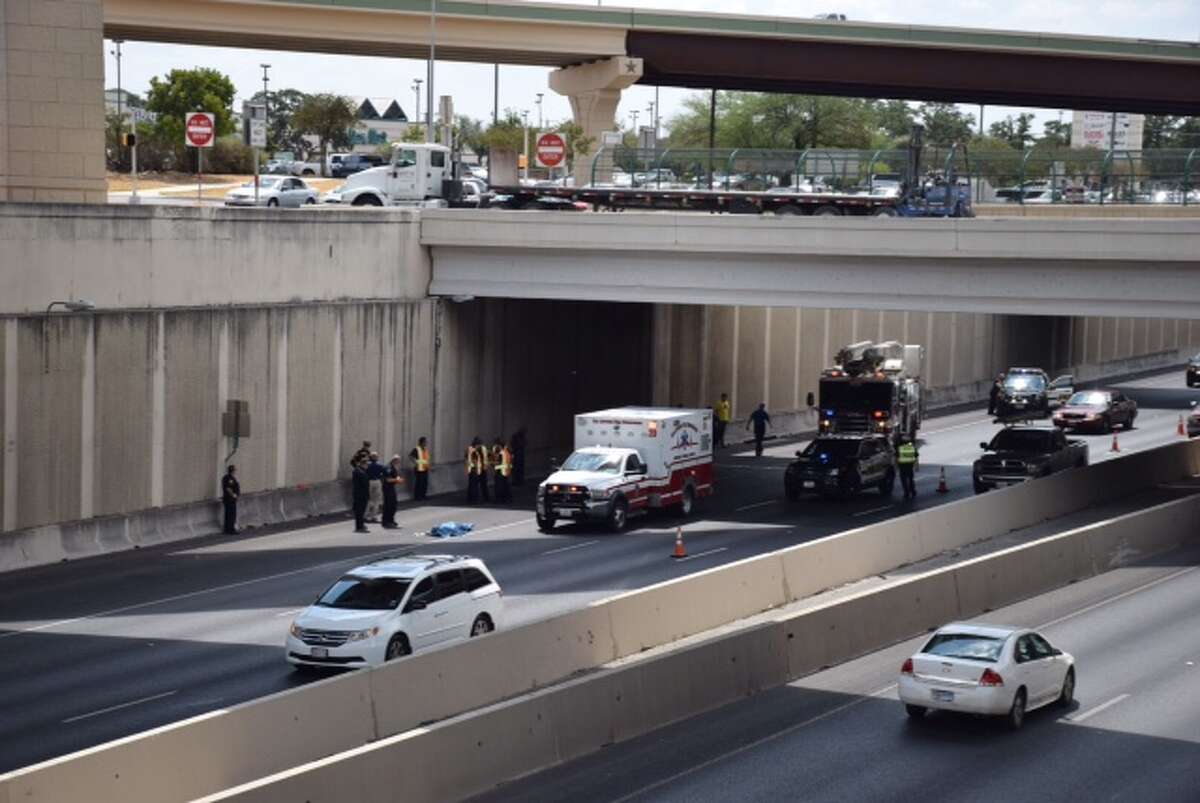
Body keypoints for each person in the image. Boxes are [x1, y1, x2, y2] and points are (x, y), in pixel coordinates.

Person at [381, 455, 403, 529]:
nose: (398, 463)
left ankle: (391, 520)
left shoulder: (393, 467)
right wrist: (397, 480)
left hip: (391, 488)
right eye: (398, 461)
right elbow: (387, 479)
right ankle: (386, 521)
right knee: (388, 505)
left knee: (393, 504)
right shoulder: (388, 468)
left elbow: (395, 476)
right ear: (394, 460)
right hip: (387, 488)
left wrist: (398, 478)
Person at [351, 457, 370, 533]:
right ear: (363, 464)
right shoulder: (359, 472)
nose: (367, 466)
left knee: (361, 511)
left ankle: (361, 524)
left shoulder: (361, 471)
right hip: (360, 494)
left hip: (361, 494)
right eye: (366, 464)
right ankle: (359, 526)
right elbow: (364, 483)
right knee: (360, 511)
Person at [409, 436, 430, 501]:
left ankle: (423, 495)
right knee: (419, 483)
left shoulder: (425, 449)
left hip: (425, 468)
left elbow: (426, 458)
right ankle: (417, 496)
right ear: (422, 442)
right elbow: (411, 456)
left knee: (425, 482)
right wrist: (417, 462)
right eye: (425, 442)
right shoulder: (416, 449)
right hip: (419, 468)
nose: (426, 443)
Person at [365, 452, 384, 522]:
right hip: (377, 481)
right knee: (376, 500)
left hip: (369, 482)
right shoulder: (380, 465)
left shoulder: (367, 464)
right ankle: (374, 516)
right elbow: (384, 473)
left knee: (368, 499)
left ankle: (365, 516)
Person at [493, 437, 513, 503]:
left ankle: (499, 499)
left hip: (500, 471)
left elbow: (498, 462)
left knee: (499, 486)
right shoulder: (506, 451)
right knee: (506, 486)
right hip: (507, 470)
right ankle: (507, 498)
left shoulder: (500, 453)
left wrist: (493, 463)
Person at [221, 465, 240, 535]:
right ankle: (231, 529)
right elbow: (228, 488)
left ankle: (227, 529)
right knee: (231, 514)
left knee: (228, 514)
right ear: (232, 470)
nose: (235, 471)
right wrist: (234, 495)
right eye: (234, 470)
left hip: (230, 499)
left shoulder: (229, 478)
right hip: (229, 499)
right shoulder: (229, 478)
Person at [465, 437, 485, 503]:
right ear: (477, 444)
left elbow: (466, 457)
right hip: (474, 469)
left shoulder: (469, 449)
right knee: (474, 485)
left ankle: (470, 498)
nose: (480, 446)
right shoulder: (474, 451)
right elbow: (475, 460)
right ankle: (474, 499)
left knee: (471, 485)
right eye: (479, 445)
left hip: (471, 469)